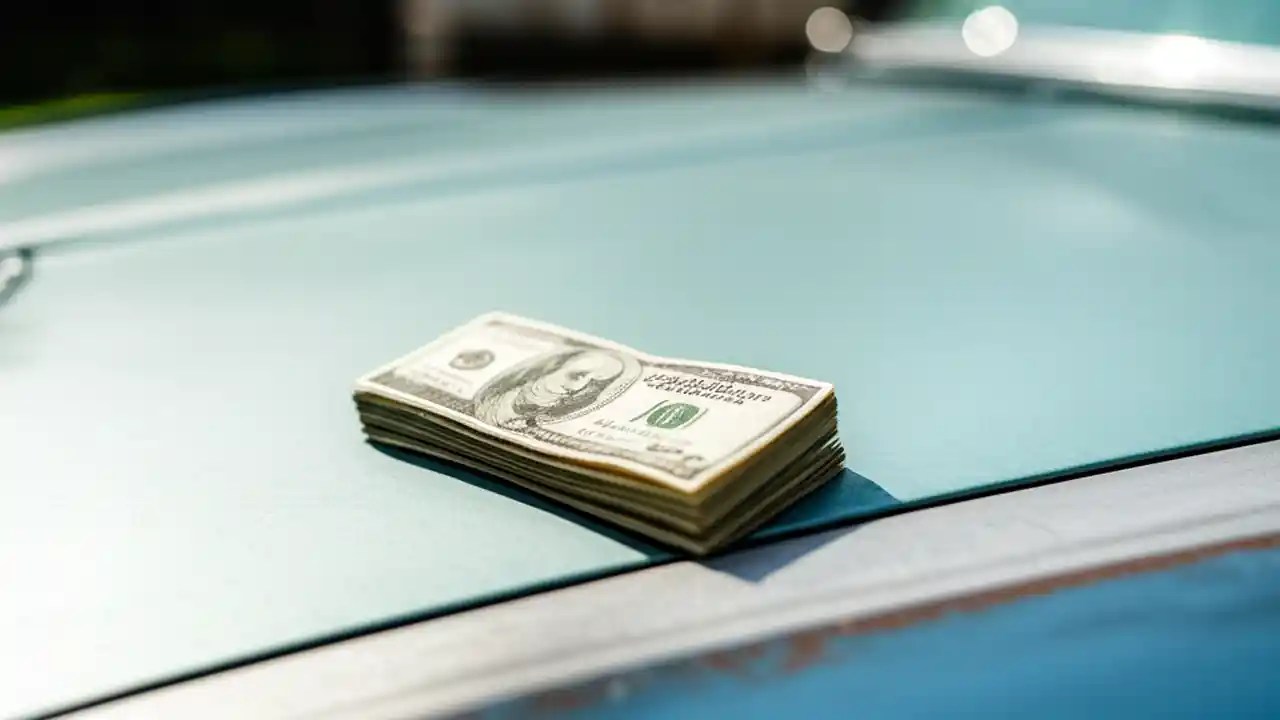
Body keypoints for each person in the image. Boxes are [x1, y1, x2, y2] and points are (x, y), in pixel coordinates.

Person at [475, 349, 626, 429]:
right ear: (554, 366)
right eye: (578, 375)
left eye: (594, 384)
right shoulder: (492, 402)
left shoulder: (538, 420)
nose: (577, 389)